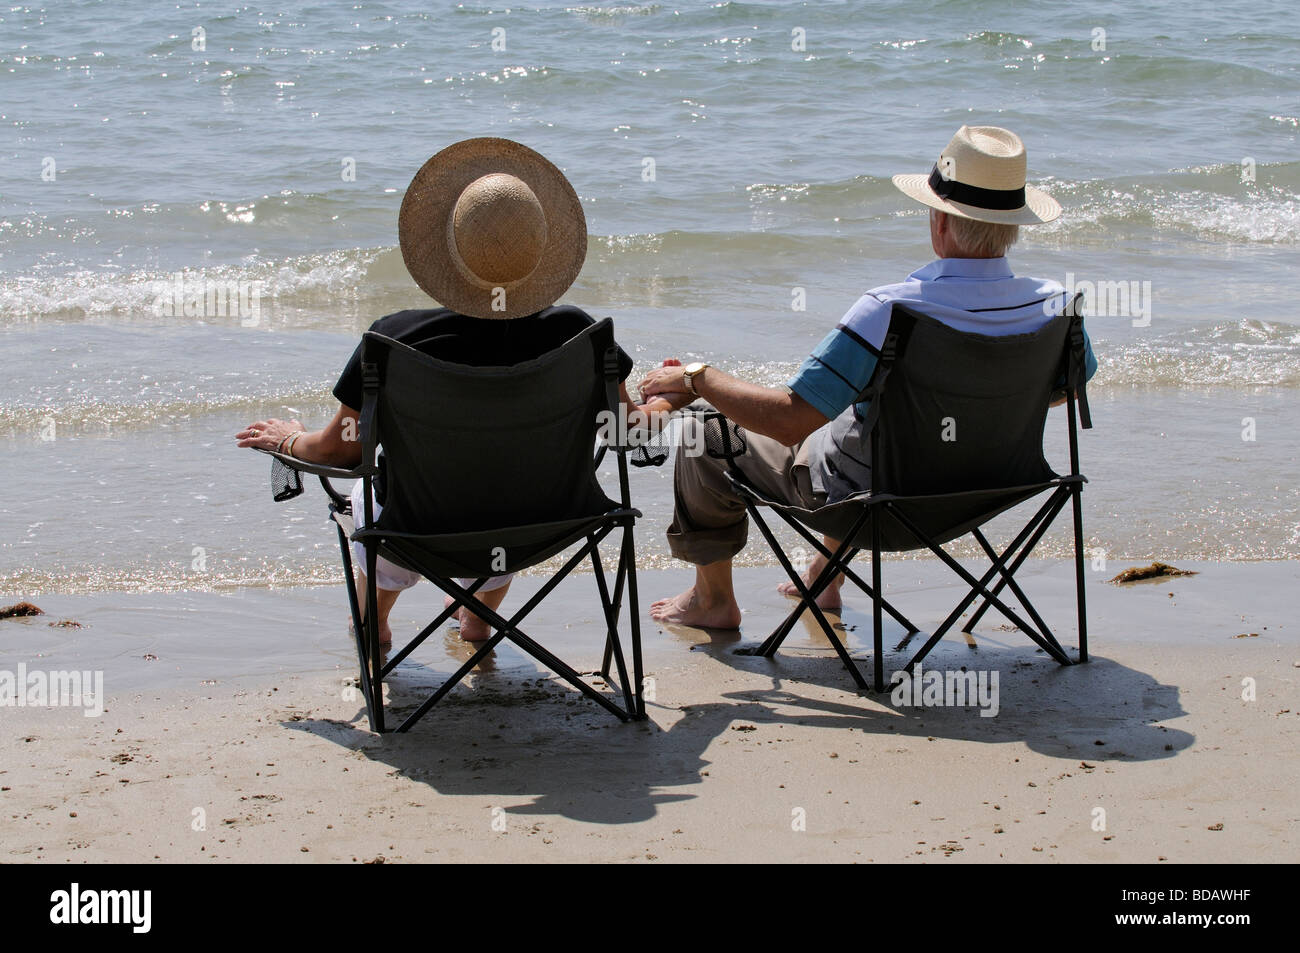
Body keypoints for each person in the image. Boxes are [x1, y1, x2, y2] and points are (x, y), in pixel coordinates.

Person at [639, 125, 1098, 629]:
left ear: (940, 221)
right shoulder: (1057, 305)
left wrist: (699, 377)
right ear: (1013, 223)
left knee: (707, 432)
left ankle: (713, 603)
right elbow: (1065, 392)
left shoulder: (889, 310)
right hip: (990, 491)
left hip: (878, 504)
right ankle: (825, 575)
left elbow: (790, 422)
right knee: (870, 427)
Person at [237, 137, 690, 643]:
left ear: (443, 254)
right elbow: (629, 432)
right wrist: (673, 396)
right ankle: (477, 616)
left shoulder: (395, 339)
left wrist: (287, 439)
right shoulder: (579, 336)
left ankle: (374, 623)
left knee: (377, 498)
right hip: (544, 525)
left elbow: (340, 453)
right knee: (507, 478)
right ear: (541, 256)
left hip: (416, 531)